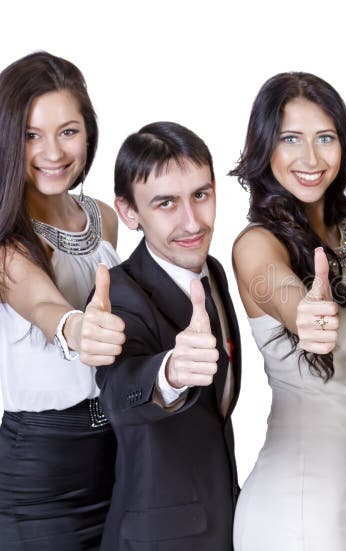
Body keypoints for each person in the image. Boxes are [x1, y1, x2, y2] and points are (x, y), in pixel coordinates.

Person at [230, 71, 346, 551]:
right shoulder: (256, 244)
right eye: (290, 139)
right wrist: (307, 314)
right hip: (294, 510)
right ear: (264, 147)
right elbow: (282, 292)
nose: (310, 158)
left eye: (325, 138)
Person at [0, 51, 126, 550]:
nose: (52, 151)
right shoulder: (8, 240)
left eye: (67, 131)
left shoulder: (103, 217)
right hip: (41, 476)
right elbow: (43, 305)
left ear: (89, 133)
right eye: (32, 134)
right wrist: (76, 328)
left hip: (118, 453)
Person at [94, 121, 240, 550]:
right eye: (166, 204)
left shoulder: (213, 271)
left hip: (220, 521)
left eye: (200, 195)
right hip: (158, 537)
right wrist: (170, 372)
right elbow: (118, 395)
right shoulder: (119, 291)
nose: (192, 221)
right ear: (128, 212)